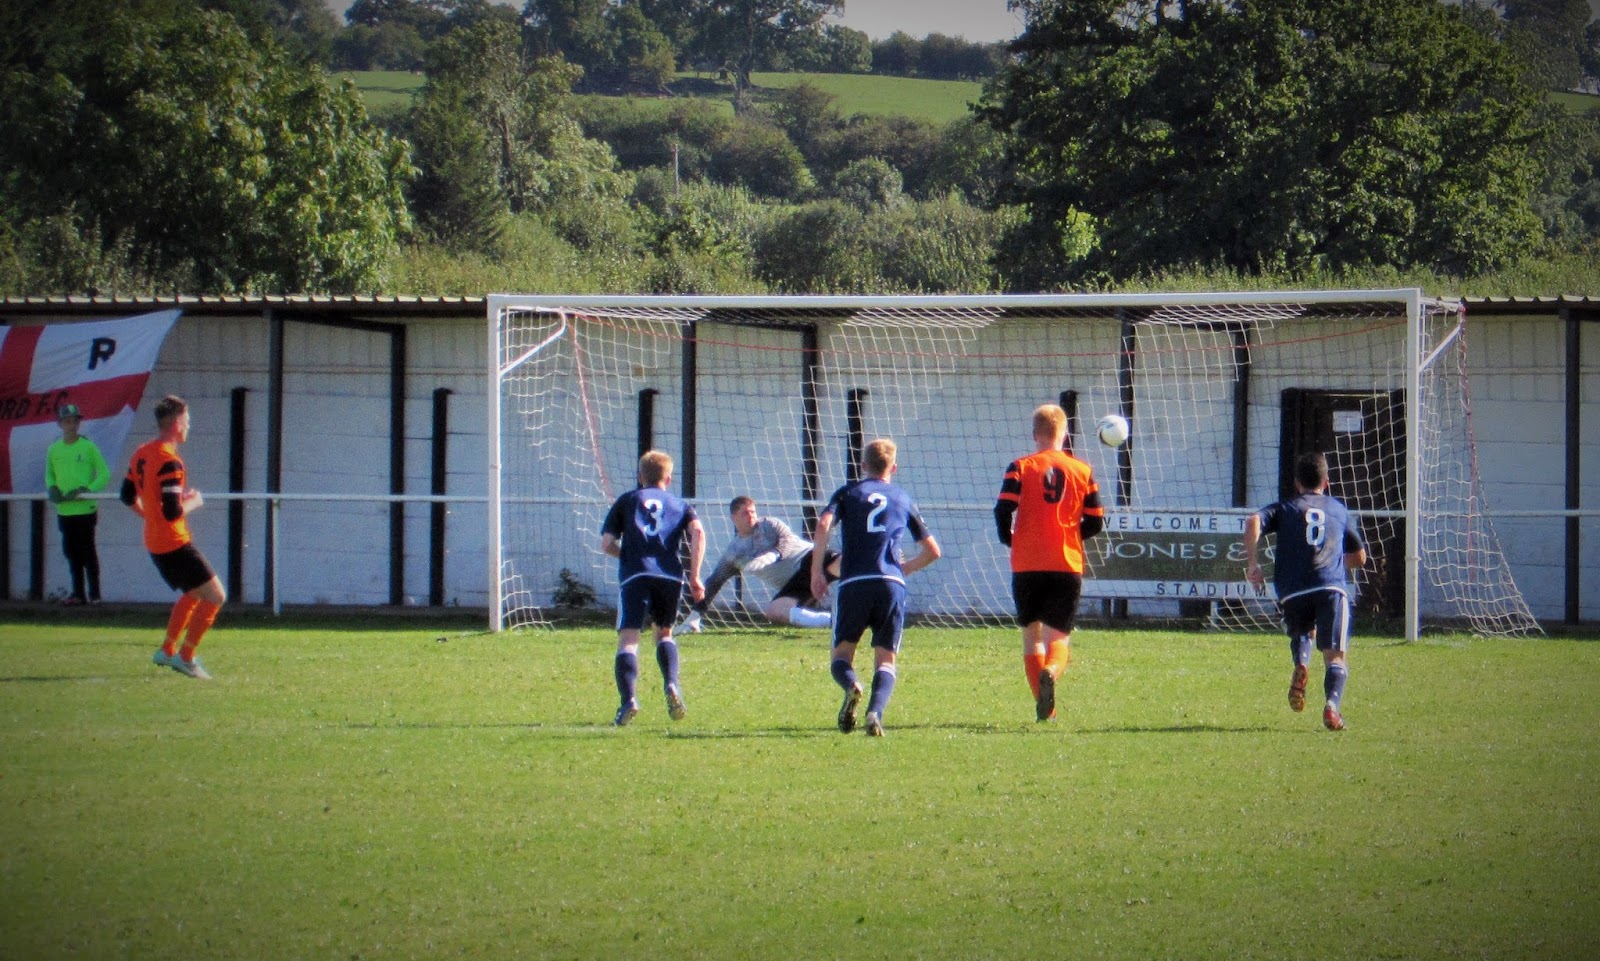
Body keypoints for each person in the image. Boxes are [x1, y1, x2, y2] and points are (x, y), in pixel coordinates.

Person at [810, 438, 941, 737]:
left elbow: (822, 526)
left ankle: (851, 685)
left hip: (855, 583)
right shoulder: (902, 498)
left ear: (863, 465)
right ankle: (874, 713)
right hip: (891, 585)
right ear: (893, 467)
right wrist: (903, 570)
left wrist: (817, 571)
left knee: (841, 656)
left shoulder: (847, 493)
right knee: (886, 659)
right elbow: (933, 551)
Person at [994, 404, 1106, 722]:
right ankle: (1052, 672)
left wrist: (1011, 539)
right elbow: (1097, 521)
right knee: (1058, 637)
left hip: (1027, 563)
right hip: (1065, 563)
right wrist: (1070, 535)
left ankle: (1048, 711)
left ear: (1035, 434)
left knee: (1031, 636)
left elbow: (1002, 510)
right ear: (1065, 433)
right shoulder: (1082, 471)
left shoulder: (1019, 467)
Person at [1243, 451, 1368, 731]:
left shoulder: (1285, 508)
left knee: (1303, 632)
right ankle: (1332, 707)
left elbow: (1253, 521)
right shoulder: (1338, 509)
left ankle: (1301, 662)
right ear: (1326, 482)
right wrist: (1335, 559)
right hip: (1329, 586)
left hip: (1292, 589)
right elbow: (1360, 558)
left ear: (1297, 483)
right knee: (1335, 655)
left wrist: (1254, 563)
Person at [120, 395, 226, 680]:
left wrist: (147, 516)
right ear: (178, 423)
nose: (189, 425)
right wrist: (195, 501)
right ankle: (186, 657)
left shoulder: (142, 452)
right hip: (173, 542)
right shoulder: (170, 461)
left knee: (193, 594)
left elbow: (126, 495)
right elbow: (172, 512)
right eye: (188, 420)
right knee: (216, 596)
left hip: (155, 542)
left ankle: (167, 650)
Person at [599, 450, 706, 726]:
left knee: (629, 639)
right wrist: (695, 576)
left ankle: (629, 700)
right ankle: (671, 683)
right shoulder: (680, 505)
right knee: (664, 634)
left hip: (636, 575)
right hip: (670, 577)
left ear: (640, 476)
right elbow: (698, 532)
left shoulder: (628, 500)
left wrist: (626, 554)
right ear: (668, 479)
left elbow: (607, 543)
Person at [676, 495, 839, 634]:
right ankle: (833, 621)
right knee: (774, 612)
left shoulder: (770, 524)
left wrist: (771, 556)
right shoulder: (734, 553)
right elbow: (714, 582)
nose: (751, 516)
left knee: (849, 564)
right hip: (796, 584)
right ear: (734, 518)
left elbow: (786, 541)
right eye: (745, 513)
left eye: (752, 512)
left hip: (813, 560)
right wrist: (695, 615)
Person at [45, 403, 110, 605]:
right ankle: (78, 594)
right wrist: (52, 488)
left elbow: (104, 474)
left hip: (85, 508)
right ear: (60, 424)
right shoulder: (54, 449)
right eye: (67, 421)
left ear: (79, 423)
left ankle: (95, 594)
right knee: (71, 552)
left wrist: (88, 490)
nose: (71, 425)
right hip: (65, 510)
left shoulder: (88, 447)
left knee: (88, 551)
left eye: (74, 421)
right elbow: (49, 475)